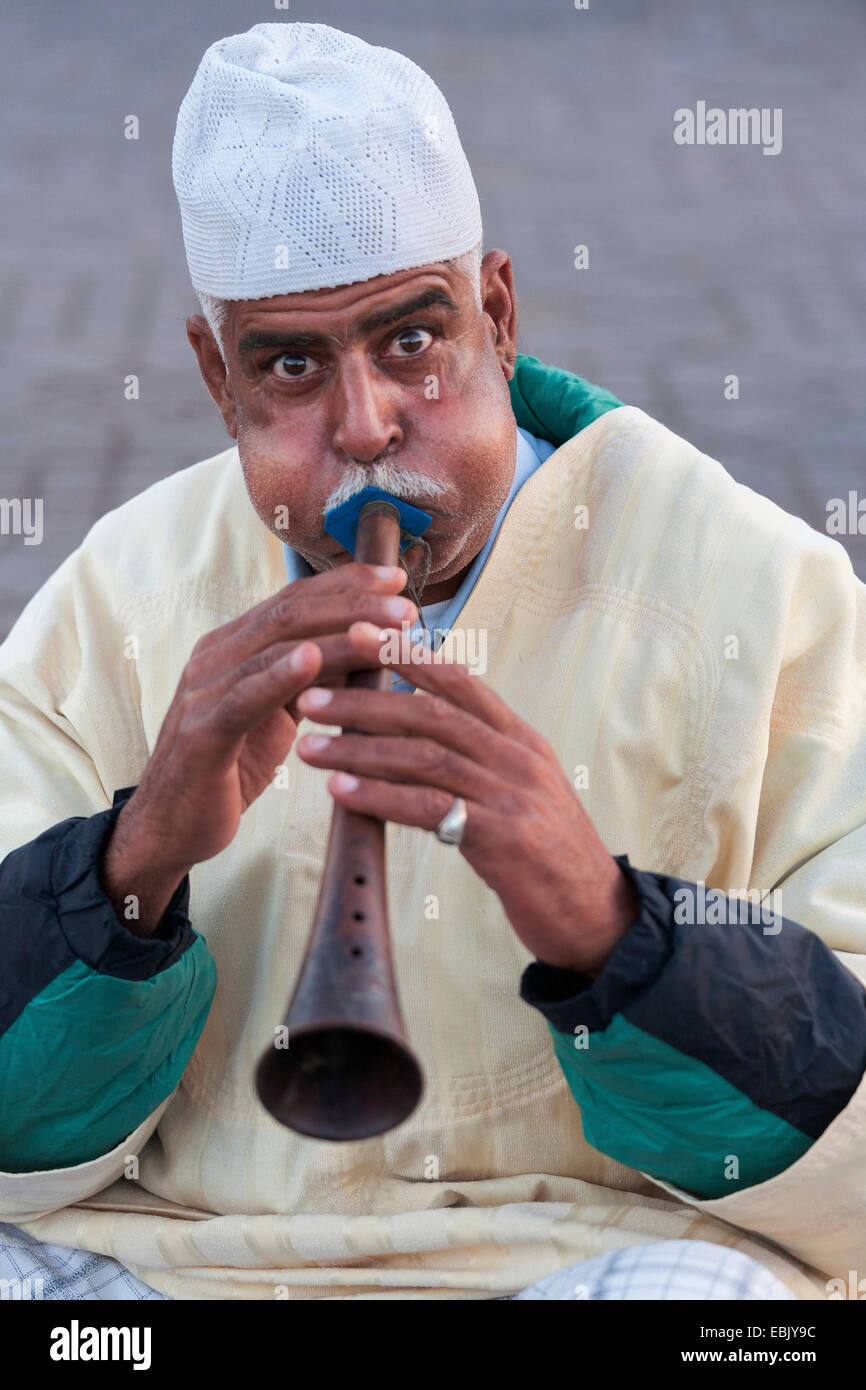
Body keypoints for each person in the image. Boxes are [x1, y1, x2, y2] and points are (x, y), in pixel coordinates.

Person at [0, 21, 863, 1301]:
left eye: (413, 341)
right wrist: (126, 869)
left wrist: (616, 931)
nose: (363, 426)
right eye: (289, 365)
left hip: (588, 1270)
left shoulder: (758, 584)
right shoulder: (116, 598)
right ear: (213, 377)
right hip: (175, 1272)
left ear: (496, 317)